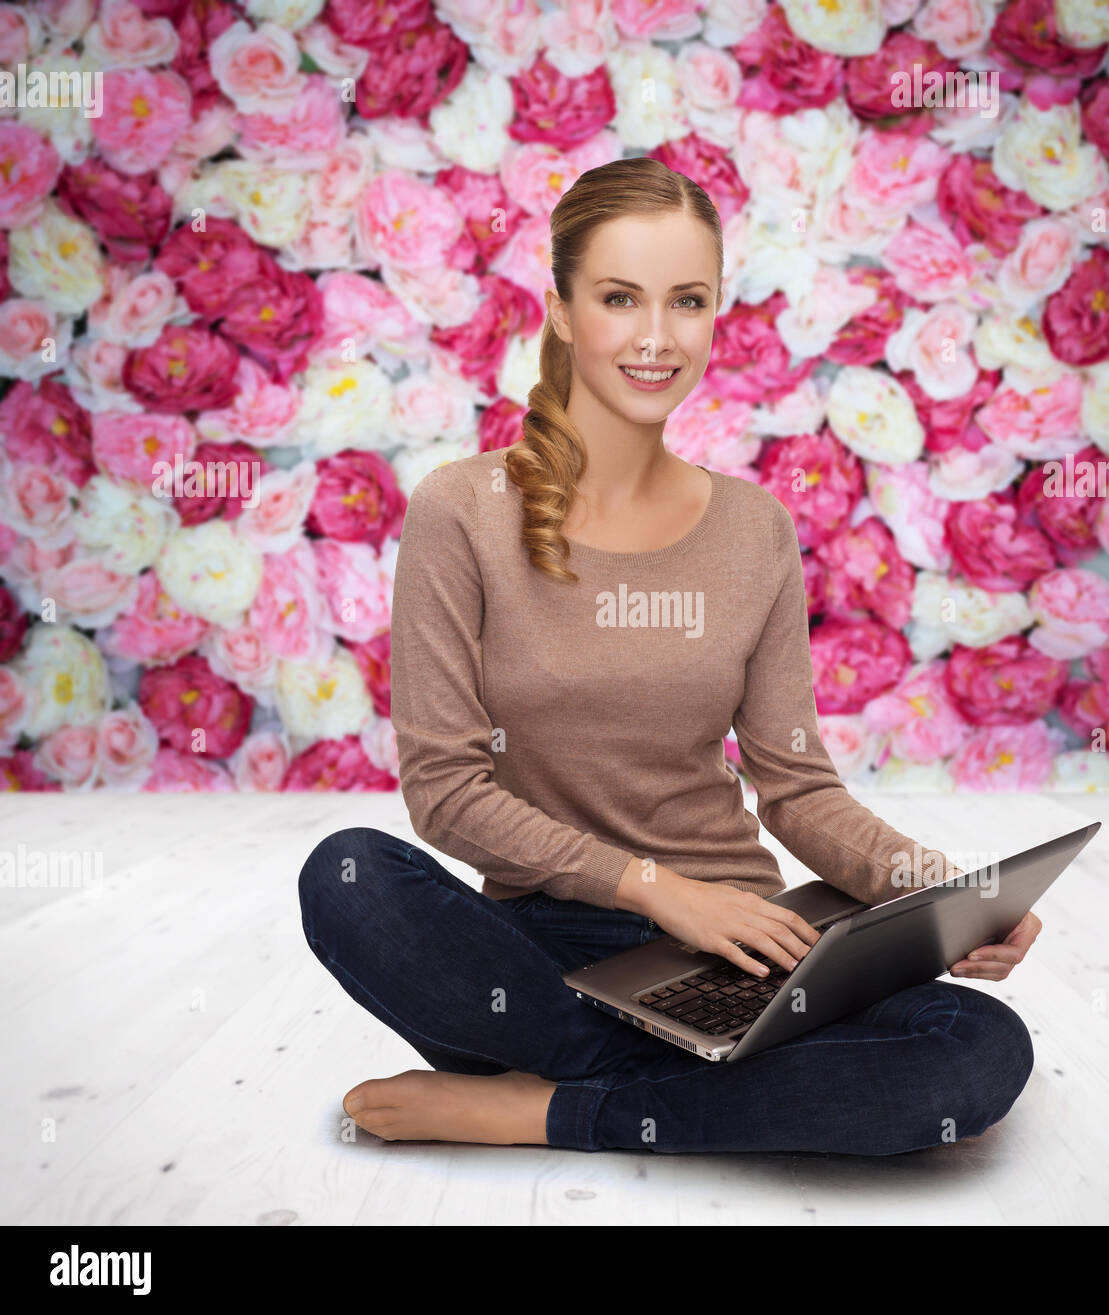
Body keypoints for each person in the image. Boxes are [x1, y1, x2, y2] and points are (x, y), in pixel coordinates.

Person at [298, 157, 1041, 1156]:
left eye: (686, 302)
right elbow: (443, 791)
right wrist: (652, 887)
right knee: (346, 873)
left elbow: (797, 789)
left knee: (976, 1047)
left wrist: (935, 889)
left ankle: (554, 1106)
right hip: (540, 950)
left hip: (745, 941)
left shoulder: (753, 529)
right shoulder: (461, 511)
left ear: (714, 314)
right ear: (560, 310)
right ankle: (680, 1093)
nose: (656, 338)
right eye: (618, 298)